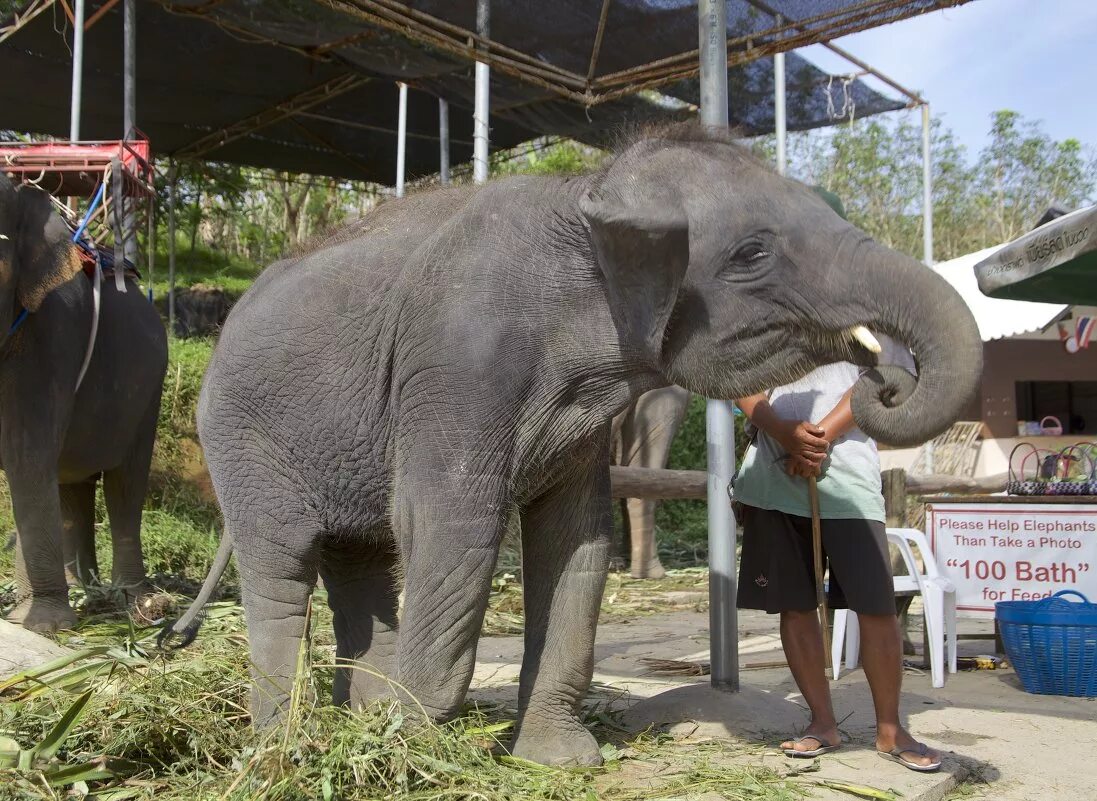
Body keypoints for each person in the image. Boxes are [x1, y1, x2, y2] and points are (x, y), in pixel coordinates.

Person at [732, 336, 941, 772]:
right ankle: (822, 723)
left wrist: (817, 438)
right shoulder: (768, 300)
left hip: (848, 477)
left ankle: (890, 729)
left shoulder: (876, 304)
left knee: (876, 606)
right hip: (772, 479)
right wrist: (783, 432)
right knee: (794, 605)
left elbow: (888, 376)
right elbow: (736, 375)